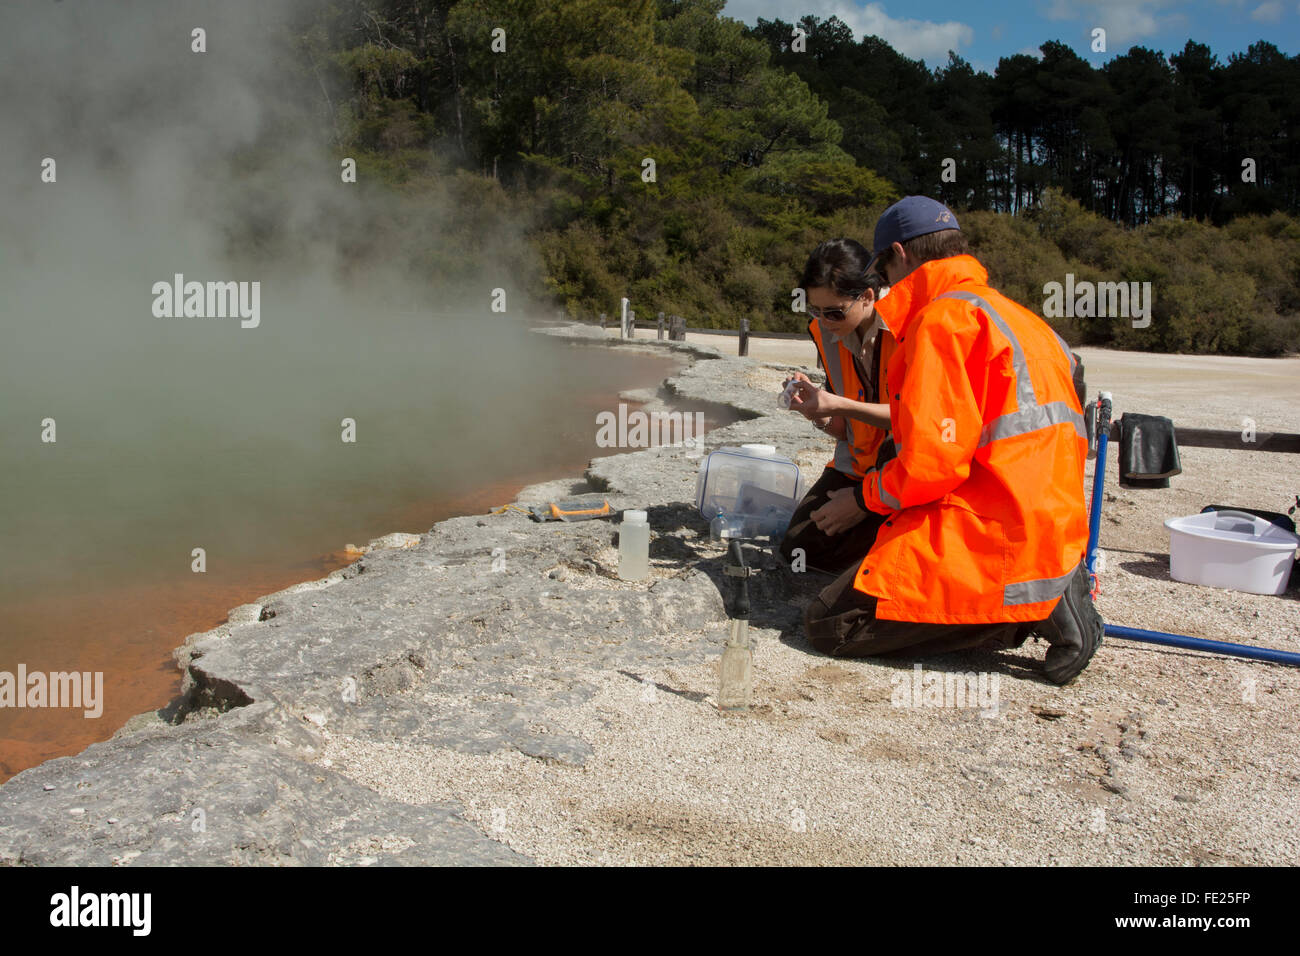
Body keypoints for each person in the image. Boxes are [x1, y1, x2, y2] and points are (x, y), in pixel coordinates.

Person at [804, 196, 1103, 685]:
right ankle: (1044, 589)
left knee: (831, 624)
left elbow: (931, 465)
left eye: (881, 270)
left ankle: (1028, 610)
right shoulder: (1020, 318)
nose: (883, 285)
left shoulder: (942, 322)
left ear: (898, 254)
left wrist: (863, 498)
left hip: (996, 526)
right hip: (1048, 518)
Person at [777, 239, 895, 575]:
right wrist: (816, 411)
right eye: (815, 310)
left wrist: (863, 502)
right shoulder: (825, 331)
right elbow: (847, 430)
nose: (825, 321)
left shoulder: (907, 330)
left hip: (902, 472)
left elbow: (917, 421)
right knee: (800, 548)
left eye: (834, 312)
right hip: (854, 468)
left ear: (868, 296)